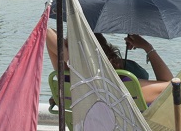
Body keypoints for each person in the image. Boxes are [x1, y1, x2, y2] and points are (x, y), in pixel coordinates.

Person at [43, 28, 174, 105]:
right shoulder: (119, 85)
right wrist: (148, 47)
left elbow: (48, 33)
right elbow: (173, 88)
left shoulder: (71, 80)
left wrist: (76, 63)